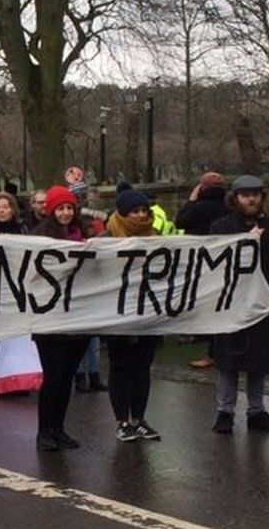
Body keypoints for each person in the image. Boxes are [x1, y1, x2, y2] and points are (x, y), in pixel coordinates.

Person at [209, 176, 269, 434]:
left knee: (259, 360)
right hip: (231, 305)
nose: (251, 199)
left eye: (255, 194)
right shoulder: (221, 227)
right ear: (235, 198)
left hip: (263, 305)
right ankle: (225, 412)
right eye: (245, 195)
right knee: (227, 361)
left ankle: (256, 410)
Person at [31, 186, 92, 451]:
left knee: (66, 377)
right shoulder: (41, 236)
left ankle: (59, 429)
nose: (66, 213)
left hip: (79, 317)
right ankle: (44, 431)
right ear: (51, 210)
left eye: (69, 208)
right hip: (51, 320)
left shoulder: (83, 234)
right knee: (53, 377)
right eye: (61, 208)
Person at [103, 189, 163, 442]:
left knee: (142, 367)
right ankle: (122, 420)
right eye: (134, 211)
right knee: (120, 366)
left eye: (143, 211)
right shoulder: (107, 237)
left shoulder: (157, 238)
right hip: (119, 314)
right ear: (122, 213)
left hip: (148, 313)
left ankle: (139, 419)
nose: (140, 216)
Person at [176, 172, 230, 369]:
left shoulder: (197, 209)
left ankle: (210, 349)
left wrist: (191, 200)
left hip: (201, 263)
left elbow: (180, 221)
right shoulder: (228, 209)